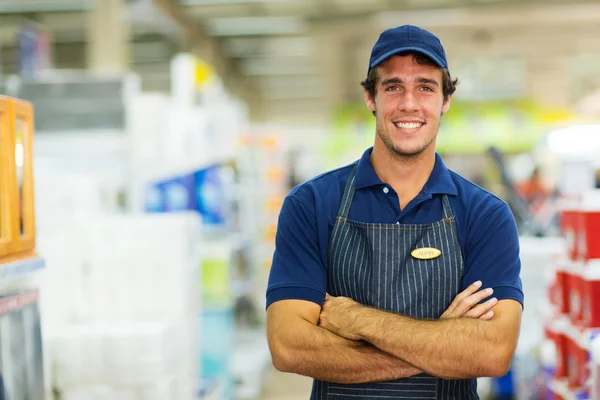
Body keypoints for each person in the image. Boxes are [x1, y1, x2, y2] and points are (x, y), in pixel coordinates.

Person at [266, 25, 524, 399]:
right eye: (392, 87)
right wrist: (442, 341)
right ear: (370, 97)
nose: (408, 103)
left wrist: (356, 319)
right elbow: (288, 346)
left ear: (445, 100)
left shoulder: (485, 215)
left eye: (425, 87)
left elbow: (493, 352)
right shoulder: (311, 205)